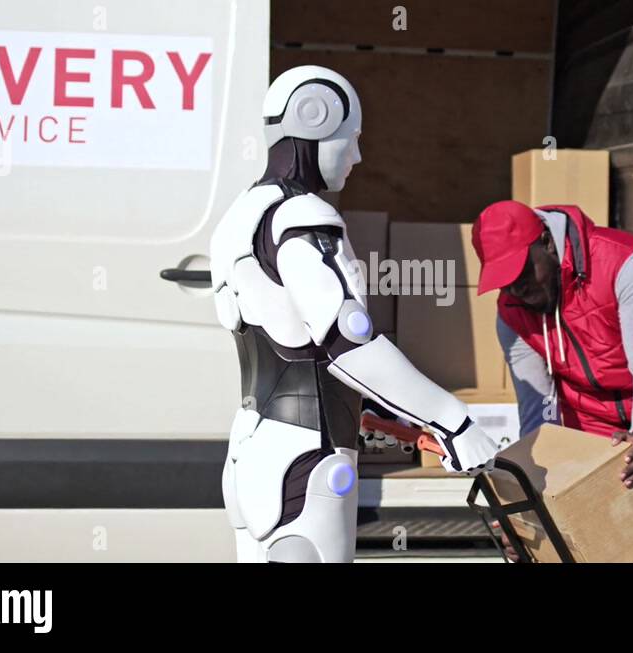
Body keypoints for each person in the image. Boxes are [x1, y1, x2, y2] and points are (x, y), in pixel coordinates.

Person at [208, 66, 499, 563]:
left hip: (252, 451)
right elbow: (348, 348)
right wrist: (454, 422)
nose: (358, 156)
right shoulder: (303, 216)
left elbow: (300, 347)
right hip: (307, 459)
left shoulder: (238, 216)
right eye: (352, 139)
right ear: (314, 122)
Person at [472, 200, 633, 562]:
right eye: (505, 281)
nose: (518, 289)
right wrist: (527, 503)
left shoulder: (626, 263)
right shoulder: (511, 314)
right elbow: (537, 414)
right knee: (612, 551)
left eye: (523, 273)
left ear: (546, 242)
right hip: (595, 433)